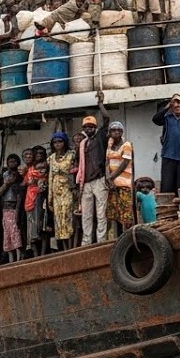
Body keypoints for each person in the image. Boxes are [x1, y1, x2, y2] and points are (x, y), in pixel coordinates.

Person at [75, 93, 113, 245]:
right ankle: (86, 244)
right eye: (86, 127)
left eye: (91, 127)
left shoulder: (100, 138)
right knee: (87, 216)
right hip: (86, 184)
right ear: (83, 128)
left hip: (99, 181)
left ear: (95, 128)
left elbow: (107, 119)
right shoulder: (83, 144)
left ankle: (101, 242)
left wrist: (101, 104)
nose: (89, 129)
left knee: (101, 214)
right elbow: (80, 166)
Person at [151, 93, 180, 195]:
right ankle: (168, 209)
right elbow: (155, 119)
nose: (177, 106)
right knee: (167, 188)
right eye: (175, 103)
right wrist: (167, 107)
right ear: (171, 105)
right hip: (168, 157)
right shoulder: (167, 118)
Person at [104, 121, 135, 238]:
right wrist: (108, 178)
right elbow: (107, 162)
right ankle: (116, 239)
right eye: (113, 130)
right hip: (113, 186)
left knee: (126, 215)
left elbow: (124, 163)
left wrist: (111, 177)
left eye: (119, 130)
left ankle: (128, 239)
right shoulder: (110, 145)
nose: (116, 132)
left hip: (124, 185)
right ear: (110, 132)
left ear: (122, 132)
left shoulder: (126, 145)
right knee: (114, 215)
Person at [47, 132, 77, 251]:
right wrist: (50, 197)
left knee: (68, 216)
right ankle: (64, 249)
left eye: (60, 141)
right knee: (58, 219)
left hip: (67, 190)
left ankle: (71, 247)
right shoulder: (51, 158)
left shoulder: (71, 155)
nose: (58, 144)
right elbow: (50, 177)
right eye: (55, 142)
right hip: (56, 192)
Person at [24, 146, 49, 257]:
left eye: (41, 153)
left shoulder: (46, 166)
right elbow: (24, 183)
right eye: (36, 153)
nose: (38, 155)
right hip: (30, 201)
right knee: (31, 230)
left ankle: (43, 253)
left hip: (42, 199)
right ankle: (35, 254)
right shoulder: (29, 169)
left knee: (42, 227)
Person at [0, 154, 24, 264]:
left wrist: (18, 212)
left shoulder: (20, 175)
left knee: (16, 232)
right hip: (5, 208)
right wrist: (6, 183)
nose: (12, 164)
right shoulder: (5, 176)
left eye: (14, 161)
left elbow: (19, 196)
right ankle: (11, 259)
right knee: (7, 234)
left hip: (15, 207)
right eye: (10, 161)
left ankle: (19, 258)